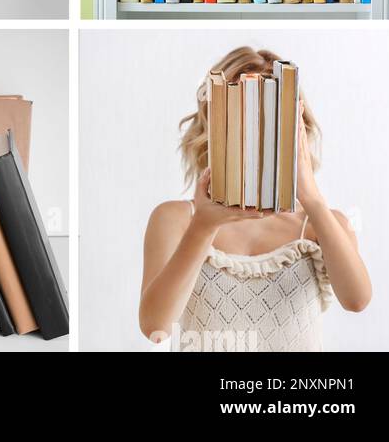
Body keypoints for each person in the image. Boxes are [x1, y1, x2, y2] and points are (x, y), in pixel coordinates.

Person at [139, 46, 371, 352]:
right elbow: (155, 326)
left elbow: (357, 300)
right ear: (216, 125)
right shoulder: (176, 219)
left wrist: (311, 197)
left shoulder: (320, 224)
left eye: (271, 118)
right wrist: (204, 227)